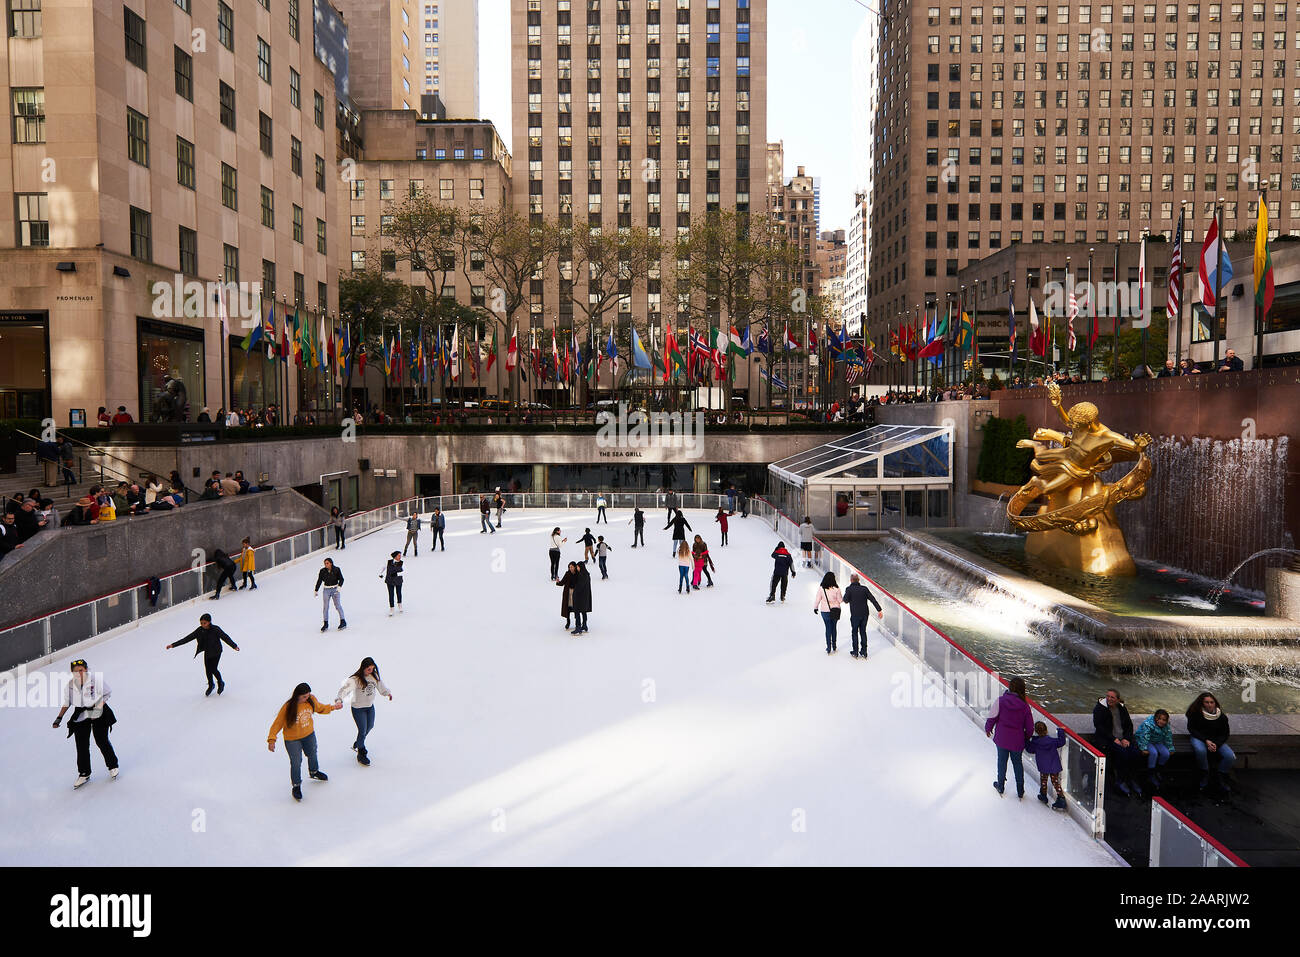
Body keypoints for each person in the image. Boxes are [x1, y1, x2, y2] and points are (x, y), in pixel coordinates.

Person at [266, 683, 342, 801]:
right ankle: (296, 785)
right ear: (297, 695)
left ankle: (314, 771)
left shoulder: (310, 700)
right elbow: (278, 723)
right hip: (292, 739)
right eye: (304, 697)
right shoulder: (288, 707)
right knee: (296, 761)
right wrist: (272, 739)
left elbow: (320, 708)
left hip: (309, 734)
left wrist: (333, 707)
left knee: (312, 753)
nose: (307, 698)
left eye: (307, 696)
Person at [52, 659, 119, 789]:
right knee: (81, 745)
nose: (79, 673)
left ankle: (113, 765)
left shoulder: (95, 680)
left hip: (99, 712)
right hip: (81, 716)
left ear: (86, 669)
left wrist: (97, 708)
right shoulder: (70, 685)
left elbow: (107, 693)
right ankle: (84, 773)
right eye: (75, 671)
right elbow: (67, 702)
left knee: (101, 740)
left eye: (81, 670)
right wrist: (59, 717)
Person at [335, 658, 392, 767]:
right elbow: (343, 691)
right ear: (363, 668)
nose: (370, 671)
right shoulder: (355, 679)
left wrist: (387, 693)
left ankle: (359, 741)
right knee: (362, 730)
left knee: (370, 726)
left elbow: (381, 686)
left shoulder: (374, 676)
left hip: (369, 707)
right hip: (358, 708)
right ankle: (361, 752)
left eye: (372, 669)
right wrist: (339, 700)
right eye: (368, 669)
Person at [166, 613, 240, 696]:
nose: (202, 625)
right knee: (207, 669)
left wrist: (234, 646)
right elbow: (187, 638)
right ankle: (211, 685)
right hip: (208, 651)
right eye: (201, 623)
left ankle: (221, 682)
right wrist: (173, 645)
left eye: (204, 623)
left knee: (213, 669)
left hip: (216, 651)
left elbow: (225, 637)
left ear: (209, 622)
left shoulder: (216, 629)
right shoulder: (199, 630)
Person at [985, 676, 1035, 799]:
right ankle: (1020, 790)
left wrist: (988, 728)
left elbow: (992, 717)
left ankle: (1000, 785)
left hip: (1002, 738)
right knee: (1017, 763)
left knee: (1002, 762)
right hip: (1017, 741)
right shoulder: (1024, 706)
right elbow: (1030, 727)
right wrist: (1026, 737)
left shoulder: (1001, 701)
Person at [1092, 688, 1144, 797]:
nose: (1109, 699)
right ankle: (1120, 780)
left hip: (1123, 738)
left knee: (1136, 753)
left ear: (1117, 699)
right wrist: (1113, 739)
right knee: (1123, 754)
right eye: (1108, 696)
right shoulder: (1099, 709)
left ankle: (1132, 778)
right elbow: (1099, 727)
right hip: (1108, 739)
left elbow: (1129, 725)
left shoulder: (1121, 708)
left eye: (1112, 697)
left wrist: (1126, 738)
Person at [1186, 692, 1235, 793]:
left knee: (1230, 756)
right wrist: (1206, 740)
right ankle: (1205, 773)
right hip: (1199, 738)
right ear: (1202, 703)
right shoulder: (1195, 713)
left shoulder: (1221, 717)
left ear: (1215, 703)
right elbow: (1191, 729)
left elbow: (1225, 734)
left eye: (1212, 702)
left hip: (1215, 740)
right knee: (1200, 751)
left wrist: (1216, 743)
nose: (1209, 704)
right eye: (1207, 702)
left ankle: (1220, 776)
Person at [1025, 721, 1068, 810]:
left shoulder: (1035, 743)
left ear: (1036, 731)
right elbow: (1062, 741)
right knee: (1055, 781)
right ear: (1046, 730)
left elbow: (1029, 749)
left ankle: (1043, 795)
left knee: (1044, 780)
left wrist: (1026, 739)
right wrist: (1060, 730)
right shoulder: (1052, 741)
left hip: (1043, 766)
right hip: (1054, 765)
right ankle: (1061, 798)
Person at [842, 573, 883, 659]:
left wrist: (849, 597)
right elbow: (872, 599)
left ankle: (855, 652)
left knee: (854, 632)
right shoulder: (864, 589)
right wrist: (879, 610)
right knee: (863, 632)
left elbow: (845, 600)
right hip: (865, 614)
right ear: (859, 580)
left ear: (851, 580)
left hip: (855, 615)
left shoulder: (849, 589)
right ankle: (864, 652)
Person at [1136, 708, 1175, 791]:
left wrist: (1170, 748)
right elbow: (1144, 737)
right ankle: (1151, 773)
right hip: (1146, 741)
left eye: (1164, 720)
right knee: (1153, 753)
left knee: (1166, 754)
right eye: (1159, 719)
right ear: (1155, 718)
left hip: (1157, 741)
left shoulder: (1166, 726)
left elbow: (1168, 737)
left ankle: (1158, 770)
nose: (1161, 721)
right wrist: (1143, 748)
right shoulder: (1148, 724)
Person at [813, 572, 843, 655]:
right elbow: (840, 600)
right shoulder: (837, 588)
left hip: (825, 611)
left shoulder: (821, 588)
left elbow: (817, 599)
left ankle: (828, 647)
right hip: (835, 610)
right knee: (834, 627)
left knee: (828, 628)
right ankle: (834, 645)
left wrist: (815, 607)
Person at [314, 557, 347, 631]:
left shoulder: (336, 569)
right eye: (325, 563)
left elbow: (341, 579)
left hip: (335, 589)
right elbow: (319, 580)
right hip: (326, 590)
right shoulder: (322, 571)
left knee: (337, 605)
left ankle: (343, 621)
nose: (326, 565)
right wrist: (316, 589)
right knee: (325, 606)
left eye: (327, 563)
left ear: (331, 563)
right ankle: (325, 623)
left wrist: (339, 587)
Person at [570, 561, 592, 634]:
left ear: (581, 567)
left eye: (578, 566)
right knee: (583, 611)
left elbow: (580, 586)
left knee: (577, 611)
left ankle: (578, 627)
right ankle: (584, 625)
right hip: (585, 596)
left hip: (580, 597)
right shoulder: (587, 574)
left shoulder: (582, 575)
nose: (577, 568)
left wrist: (574, 593)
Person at [558, 561, 579, 629]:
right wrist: (558, 582)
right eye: (569, 567)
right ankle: (568, 622)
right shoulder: (567, 574)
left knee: (576, 608)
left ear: (575, 567)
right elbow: (562, 582)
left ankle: (577, 623)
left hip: (576, 593)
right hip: (568, 593)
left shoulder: (578, 574)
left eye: (572, 567)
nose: (570, 568)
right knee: (568, 608)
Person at [382, 551, 404, 616]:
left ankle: (399, 605)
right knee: (391, 594)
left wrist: (397, 574)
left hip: (398, 580)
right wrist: (380, 573)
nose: (400, 557)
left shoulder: (401, 563)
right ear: (395, 556)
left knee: (399, 593)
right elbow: (383, 567)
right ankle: (392, 608)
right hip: (390, 580)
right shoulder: (388, 562)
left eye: (400, 555)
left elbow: (405, 571)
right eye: (399, 555)